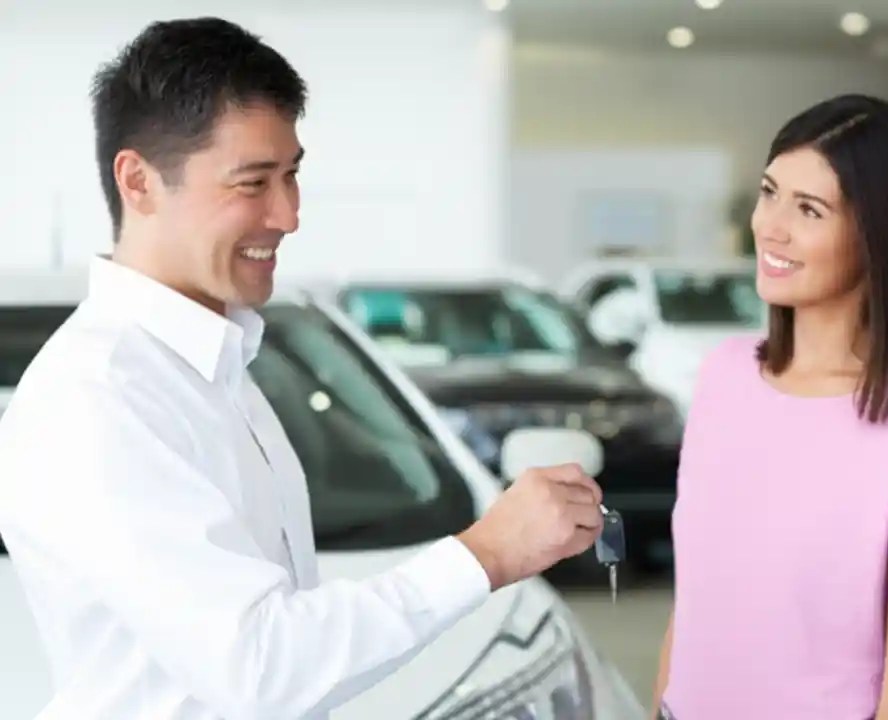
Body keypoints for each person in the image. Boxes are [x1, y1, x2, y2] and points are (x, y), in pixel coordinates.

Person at [0, 17, 604, 719]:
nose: (288, 214)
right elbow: (260, 667)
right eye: (253, 182)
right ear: (139, 182)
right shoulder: (99, 398)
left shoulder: (215, 367)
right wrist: (487, 553)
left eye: (291, 175)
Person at [651, 94, 888, 719]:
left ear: (877, 236)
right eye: (770, 192)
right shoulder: (723, 376)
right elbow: (692, 607)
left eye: (809, 209)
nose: (770, 227)